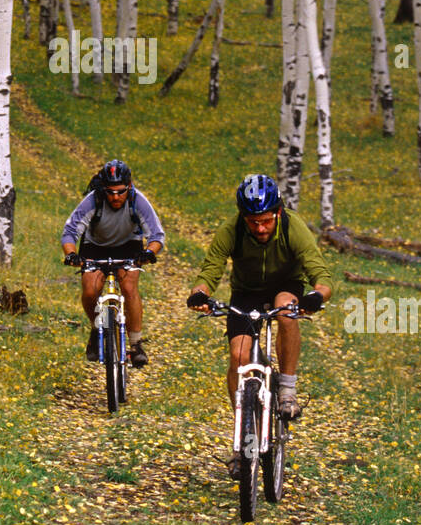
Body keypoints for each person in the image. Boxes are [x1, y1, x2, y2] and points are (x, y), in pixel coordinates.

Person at [186, 173, 332, 471]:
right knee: (239, 357)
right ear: (243, 217)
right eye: (253, 222)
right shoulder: (232, 230)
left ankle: (288, 390)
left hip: (286, 286)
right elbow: (210, 270)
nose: (261, 228)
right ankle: (243, 440)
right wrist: (199, 293)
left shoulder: (293, 227)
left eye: (266, 220)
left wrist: (316, 296)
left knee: (284, 310)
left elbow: (321, 274)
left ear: (278, 211)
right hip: (246, 293)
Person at [61, 159, 165, 369]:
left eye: (120, 191)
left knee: (128, 287)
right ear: (103, 189)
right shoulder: (93, 200)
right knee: (90, 290)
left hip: (128, 245)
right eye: (110, 192)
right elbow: (70, 232)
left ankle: (136, 344)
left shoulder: (138, 200)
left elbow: (156, 235)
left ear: (129, 186)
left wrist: (149, 253)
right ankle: (97, 327)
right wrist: (72, 255)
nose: (115, 197)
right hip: (95, 246)